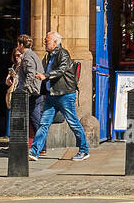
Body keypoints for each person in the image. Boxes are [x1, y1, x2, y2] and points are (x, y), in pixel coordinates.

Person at [29, 31, 90, 161]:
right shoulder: (49, 56)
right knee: (44, 124)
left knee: (73, 123)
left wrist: (46, 75)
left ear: (55, 42)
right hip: (52, 95)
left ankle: (84, 150)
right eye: (45, 40)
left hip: (65, 95)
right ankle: (34, 152)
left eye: (47, 41)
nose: (44, 43)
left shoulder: (63, 53)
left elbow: (61, 70)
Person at [7, 33, 44, 138]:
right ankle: (41, 145)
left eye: (18, 44)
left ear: (21, 44)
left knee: (33, 119)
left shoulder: (27, 56)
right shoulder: (33, 55)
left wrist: (24, 89)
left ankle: (40, 145)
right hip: (35, 91)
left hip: (31, 93)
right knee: (34, 119)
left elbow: (30, 74)